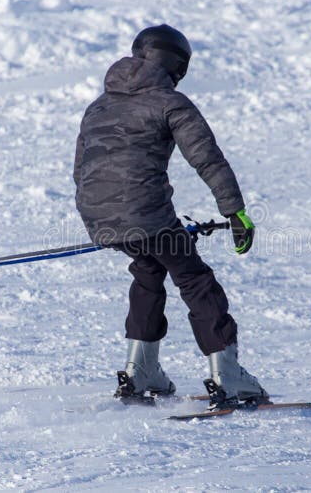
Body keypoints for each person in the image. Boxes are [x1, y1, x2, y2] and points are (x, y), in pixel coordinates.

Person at [73, 24, 267, 408]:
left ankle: (140, 369)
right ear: (177, 66)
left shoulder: (99, 105)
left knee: (149, 271)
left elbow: (82, 168)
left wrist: (105, 219)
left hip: (98, 215)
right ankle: (226, 373)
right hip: (145, 214)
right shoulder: (169, 102)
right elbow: (207, 159)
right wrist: (235, 212)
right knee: (195, 280)